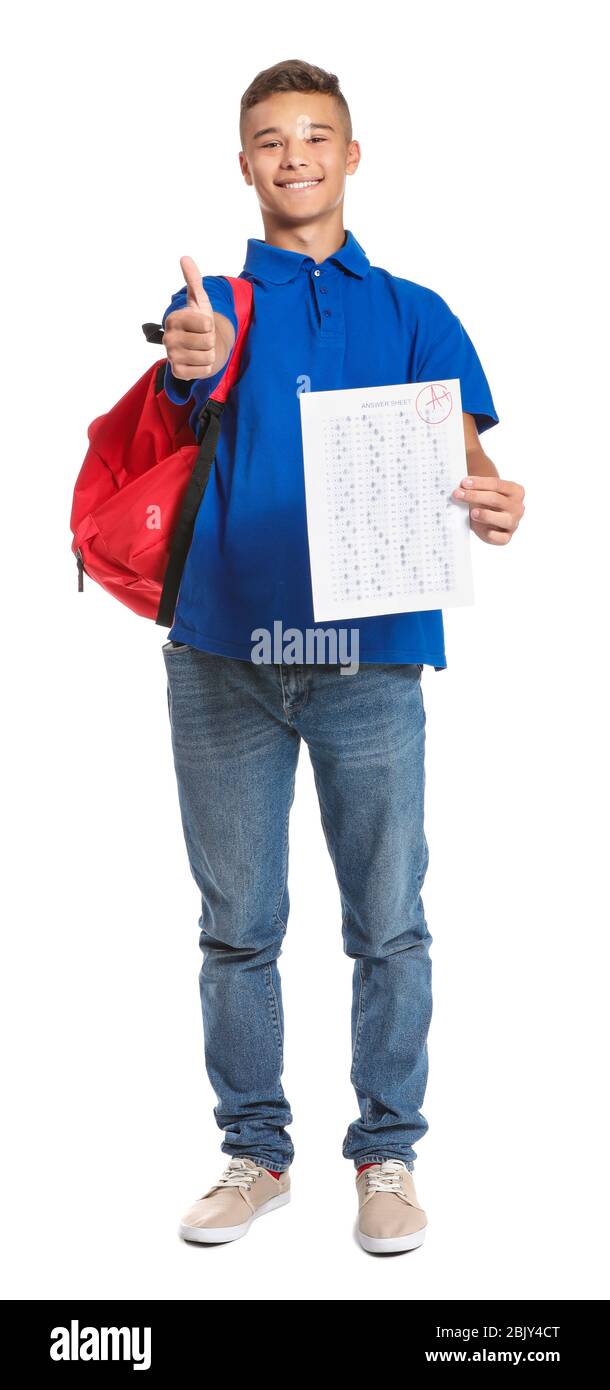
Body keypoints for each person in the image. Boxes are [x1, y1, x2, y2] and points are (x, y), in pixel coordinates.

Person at [159, 58, 525, 1254]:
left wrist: (494, 503)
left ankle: (387, 1154)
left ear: (351, 156)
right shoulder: (214, 306)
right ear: (245, 163)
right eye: (270, 139)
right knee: (237, 925)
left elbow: (463, 467)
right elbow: (170, 426)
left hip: (370, 659)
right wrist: (186, 362)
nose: (295, 156)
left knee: (389, 920)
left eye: (317, 136)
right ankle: (254, 1154)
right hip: (225, 652)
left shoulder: (416, 309)